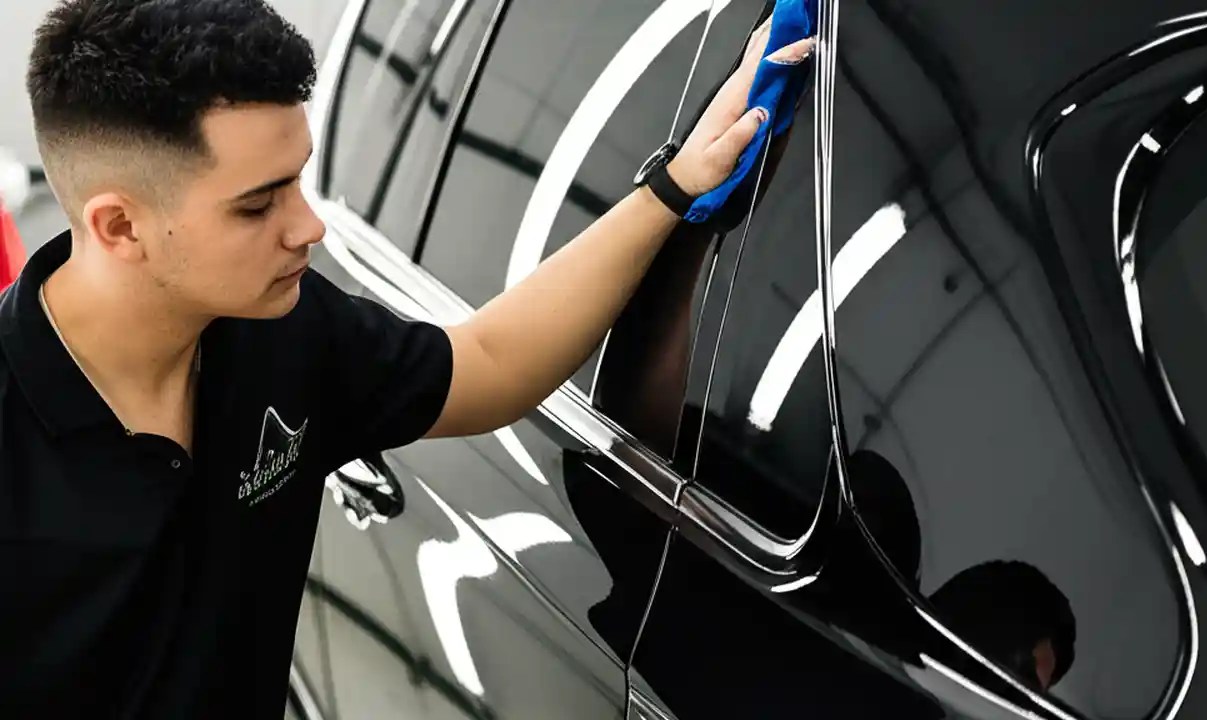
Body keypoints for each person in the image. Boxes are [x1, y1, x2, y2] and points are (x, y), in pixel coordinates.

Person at [0, 1, 814, 717]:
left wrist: (675, 184)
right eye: (258, 204)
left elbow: (489, 361)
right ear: (118, 228)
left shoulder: (281, 332)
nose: (308, 227)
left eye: (298, 182)